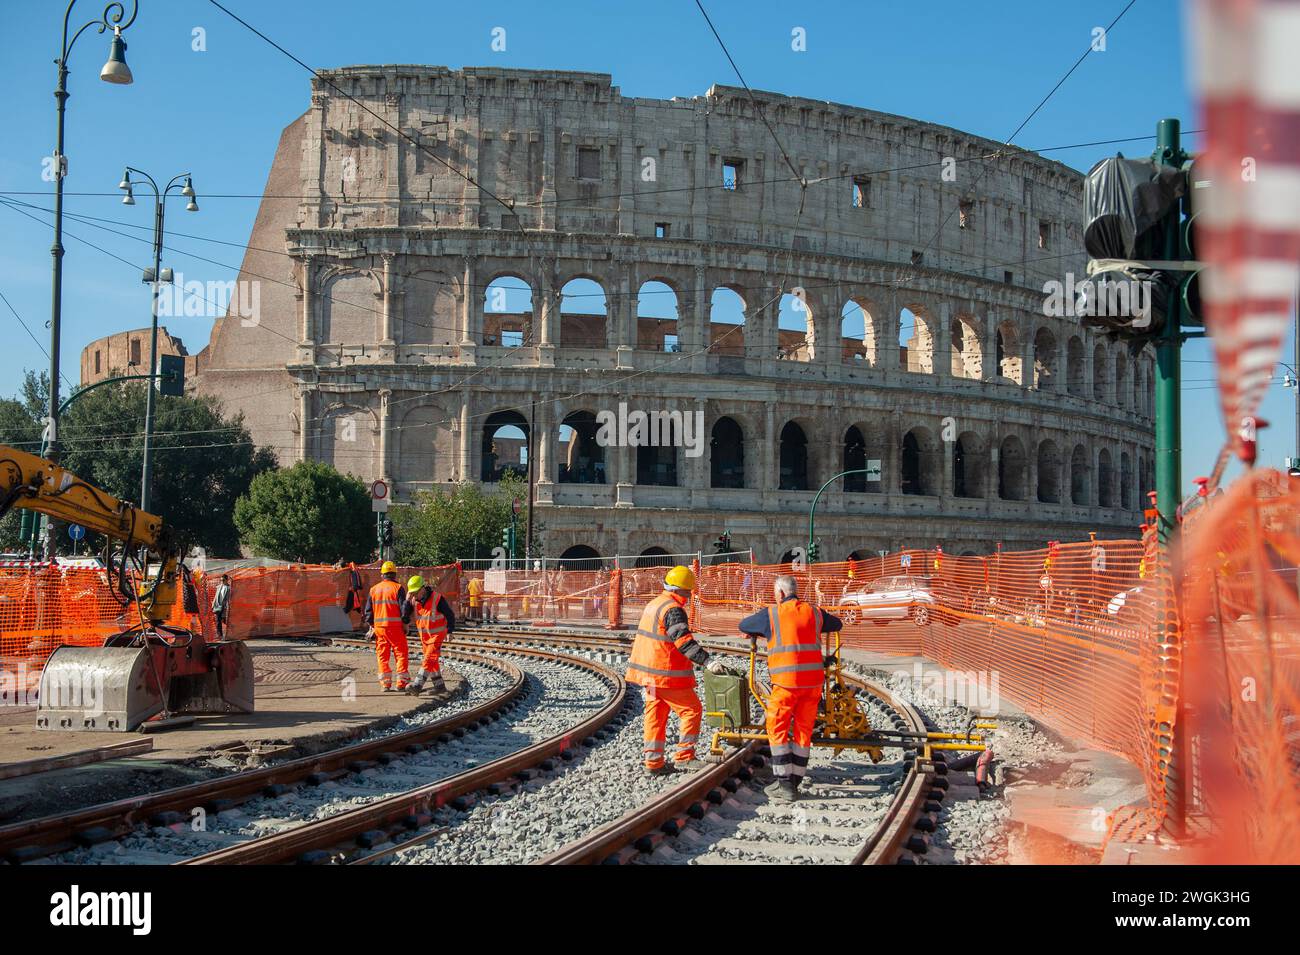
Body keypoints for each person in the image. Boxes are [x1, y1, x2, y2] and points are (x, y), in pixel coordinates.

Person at [739, 574, 842, 803]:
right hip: (813, 684)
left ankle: (785, 785)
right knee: (804, 731)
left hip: (786, 684)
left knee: (777, 727)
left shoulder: (772, 614)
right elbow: (837, 624)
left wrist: (757, 632)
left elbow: (743, 625)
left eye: (776, 594)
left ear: (781, 593)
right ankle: (794, 783)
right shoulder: (814, 613)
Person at [627, 564, 731, 776]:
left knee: (655, 715)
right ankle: (684, 757)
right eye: (687, 591)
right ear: (679, 590)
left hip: (649, 676)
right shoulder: (672, 609)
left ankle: (653, 763)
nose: (689, 596)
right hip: (666, 676)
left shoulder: (655, 603)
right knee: (692, 710)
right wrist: (707, 662)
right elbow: (683, 642)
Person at [403, 575, 456, 693]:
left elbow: (450, 615)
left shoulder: (437, 599)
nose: (414, 596)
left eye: (416, 593)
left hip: (437, 635)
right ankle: (440, 686)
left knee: (428, 659)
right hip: (425, 637)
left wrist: (450, 630)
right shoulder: (413, 600)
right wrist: (407, 601)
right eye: (412, 593)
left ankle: (417, 685)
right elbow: (405, 616)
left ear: (423, 588)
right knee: (432, 661)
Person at [363, 561, 409, 691]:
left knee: (382, 656)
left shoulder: (374, 589)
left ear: (382, 575)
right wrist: (405, 623)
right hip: (395, 628)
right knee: (400, 653)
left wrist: (372, 626)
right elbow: (404, 609)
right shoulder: (398, 588)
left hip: (380, 629)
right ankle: (401, 683)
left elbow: (368, 612)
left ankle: (385, 684)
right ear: (394, 574)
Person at [211, 574, 232, 639]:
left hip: (224, 606)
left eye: (223, 580)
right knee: (218, 621)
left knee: (225, 621)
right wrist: (213, 604)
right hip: (217, 606)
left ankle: (231, 632)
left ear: (227, 580)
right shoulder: (219, 587)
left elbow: (229, 598)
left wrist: (229, 607)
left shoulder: (229, 588)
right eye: (221, 580)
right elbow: (215, 596)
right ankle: (219, 635)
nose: (222, 581)